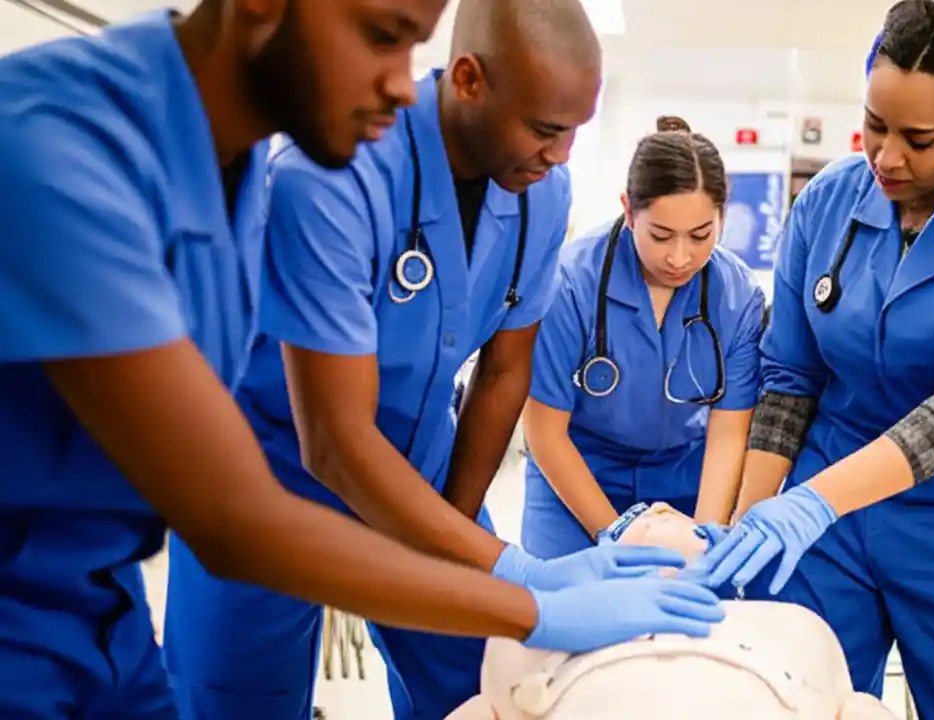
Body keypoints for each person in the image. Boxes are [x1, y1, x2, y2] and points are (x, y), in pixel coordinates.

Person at [0, 2, 724, 718]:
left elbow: (504, 370)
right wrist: (529, 594)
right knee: (240, 693)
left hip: (104, 611)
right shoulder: (71, 149)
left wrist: (471, 542)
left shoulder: (233, 161)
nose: (406, 86)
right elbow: (237, 515)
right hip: (74, 600)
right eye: (384, 38)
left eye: (413, 45)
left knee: (481, 682)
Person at [693, 0, 934, 716]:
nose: (886, 157)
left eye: (919, 138)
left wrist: (815, 501)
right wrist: (746, 527)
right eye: (875, 125)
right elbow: (791, 379)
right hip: (829, 521)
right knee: (798, 697)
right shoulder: (829, 202)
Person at [520, 115, 766, 558]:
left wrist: (705, 538)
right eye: (661, 235)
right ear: (628, 211)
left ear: (722, 216)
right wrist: (617, 536)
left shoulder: (737, 296)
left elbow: (728, 434)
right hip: (577, 477)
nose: (679, 256)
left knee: (694, 601)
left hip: (684, 481)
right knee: (571, 612)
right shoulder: (569, 284)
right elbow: (544, 432)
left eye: (701, 235)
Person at [447, 504, 901, 720]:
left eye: (686, 520)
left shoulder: (789, 624)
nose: (659, 508)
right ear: (597, 561)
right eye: (634, 519)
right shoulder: (540, 624)